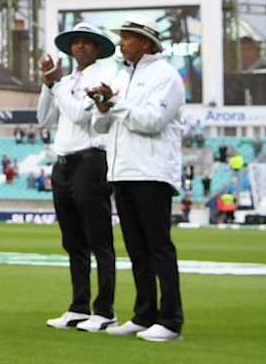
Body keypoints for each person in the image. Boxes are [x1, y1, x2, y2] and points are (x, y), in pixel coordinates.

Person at [89, 21, 186, 342]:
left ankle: (170, 320)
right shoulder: (120, 76)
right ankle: (144, 315)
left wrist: (115, 103)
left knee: (158, 247)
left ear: (146, 43)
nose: (122, 42)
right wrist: (103, 105)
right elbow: (101, 127)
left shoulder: (166, 76)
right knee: (136, 249)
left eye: (128, 38)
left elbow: (152, 121)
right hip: (122, 171)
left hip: (152, 171)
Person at [35, 22, 120, 332]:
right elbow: (44, 119)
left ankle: (106, 309)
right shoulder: (67, 80)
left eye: (87, 43)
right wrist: (47, 84)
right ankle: (79, 306)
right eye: (76, 42)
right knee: (73, 240)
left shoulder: (104, 77)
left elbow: (81, 115)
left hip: (91, 159)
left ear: (98, 48)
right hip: (64, 162)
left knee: (99, 239)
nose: (80, 46)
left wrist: (56, 86)